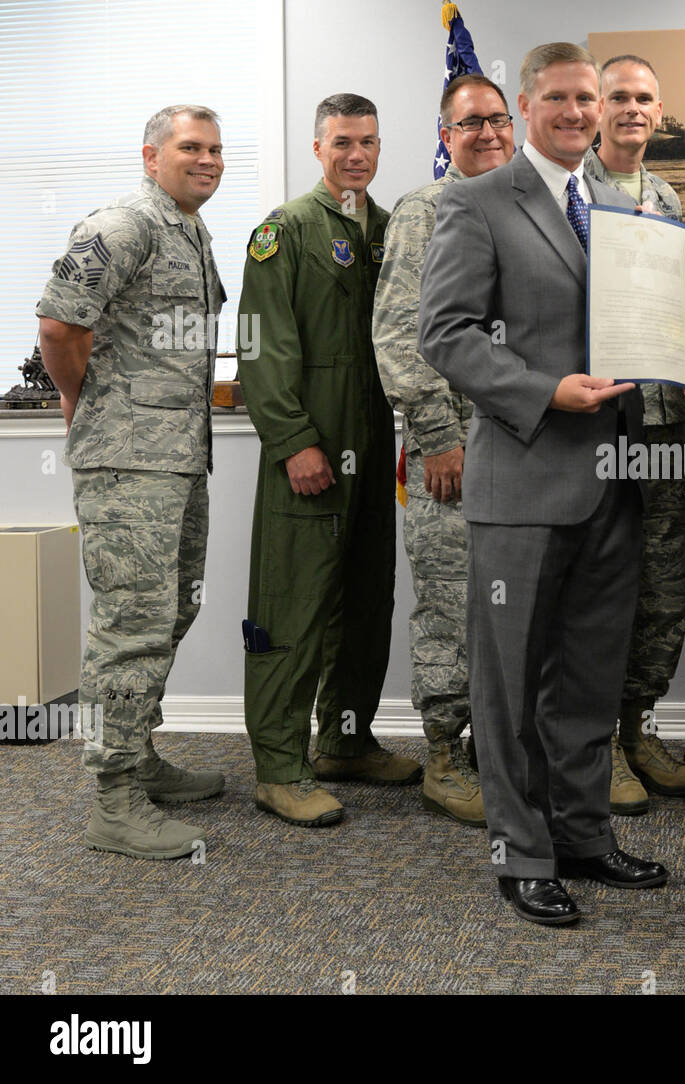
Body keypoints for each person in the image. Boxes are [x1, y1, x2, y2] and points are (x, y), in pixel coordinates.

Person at [419, 42, 668, 927]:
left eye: (587, 100)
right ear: (527, 106)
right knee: (511, 685)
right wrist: (542, 390)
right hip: (523, 479)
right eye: (558, 98)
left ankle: (583, 836)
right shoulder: (476, 200)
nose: (575, 113)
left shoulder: (615, 202)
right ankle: (521, 854)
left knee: (592, 679)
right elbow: (444, 334)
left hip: (616, 478)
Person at [37, 105, 227, 859]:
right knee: (130, 626)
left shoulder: (189, 228)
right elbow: (59, 325)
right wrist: (81, 401)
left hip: (178, 457)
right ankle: (113, 797)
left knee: (172, 609)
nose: (207, 159)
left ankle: (137, 753)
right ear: (151, 155)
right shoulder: (123, 225)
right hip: (127, 462)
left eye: (215, 148)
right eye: (190, 147)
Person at [239, 93, 419, 829]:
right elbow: (261, 346)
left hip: (376, 442)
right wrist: (292, 442)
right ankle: (280, 766)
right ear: (318, 147)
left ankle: (346, 739)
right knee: (295, 603)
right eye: (343, 141)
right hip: (310, 446)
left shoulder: (390, 231)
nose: (357, 154)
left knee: (365, 599)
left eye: (369, 141)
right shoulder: (286, 231)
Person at [373, 74, 516, 827]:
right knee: (451, 600)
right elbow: (399, 335)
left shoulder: (540, 207)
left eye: (498, 120)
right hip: (454, 450)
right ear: (445, 136)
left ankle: (505, 748)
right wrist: (436, 437)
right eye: (470, 124)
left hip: (530, 445)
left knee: (518, 605)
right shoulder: (425, 212)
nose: (487, 134)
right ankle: (443, 752)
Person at [582, 54, 685, 813]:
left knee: (663, 590)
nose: (632, 109)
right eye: (618, 96)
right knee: (600, 590)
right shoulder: (568, 192)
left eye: (644, 98)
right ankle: (596, 745)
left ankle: (638, 728)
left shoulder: (666, 196)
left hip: (664, 421)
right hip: (595, 425)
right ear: (596, 107)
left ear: (661, 112)